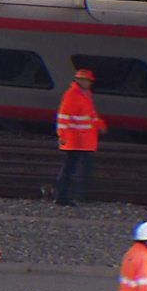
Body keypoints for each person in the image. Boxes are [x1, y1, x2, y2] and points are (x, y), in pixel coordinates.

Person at [55, 68, 106, 206]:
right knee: (71, 168)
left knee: (76, 168)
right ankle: (64, 197)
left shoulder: (85, 94)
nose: (87, 83)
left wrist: (100, 125)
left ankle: (72, 196)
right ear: (78, 80)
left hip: (83, 140)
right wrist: (62, 135)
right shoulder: (72, 95)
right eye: (84, 80)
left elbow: (91, 114)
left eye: (88, 81)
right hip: (74, 139)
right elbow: (64, 117)